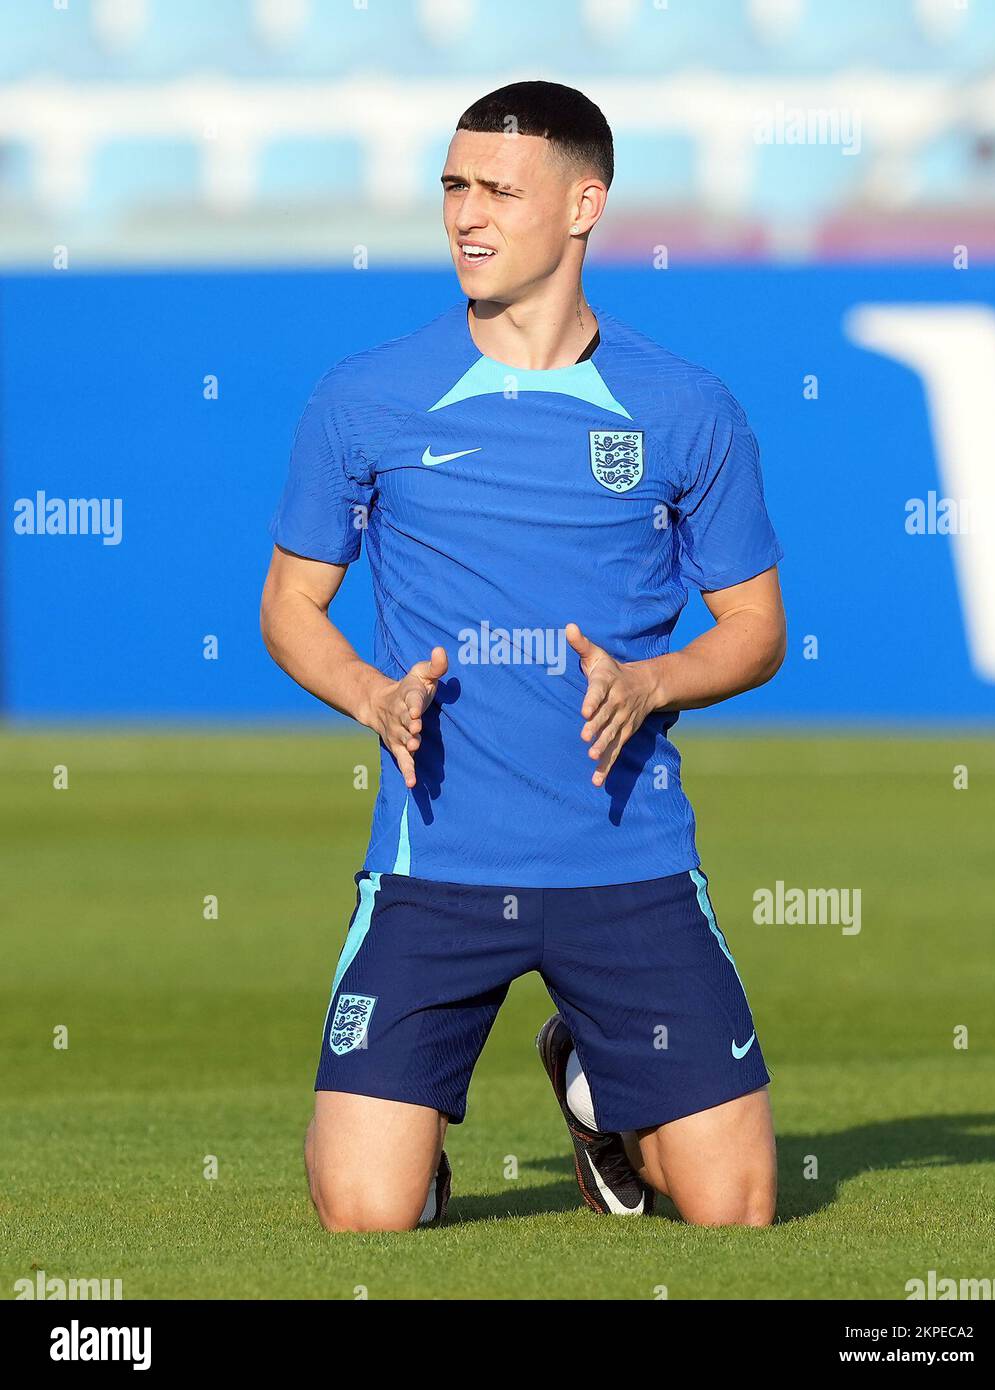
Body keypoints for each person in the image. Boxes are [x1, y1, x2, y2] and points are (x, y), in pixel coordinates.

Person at [261, 80, 785, 1232]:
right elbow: (292, 605)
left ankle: (599, 1093)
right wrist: (366, 691)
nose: (465, 214)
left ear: (584, 204)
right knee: (365, 1214)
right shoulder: (363, 399)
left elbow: (756, 629)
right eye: (452, 186)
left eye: (498, 188)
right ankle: (418, 1143)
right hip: (434, 868)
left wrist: (653, 679)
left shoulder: (685, 407)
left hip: (627, 870)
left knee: (735, 1209)